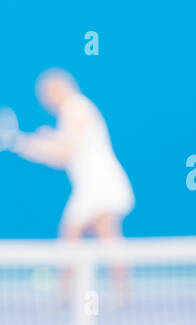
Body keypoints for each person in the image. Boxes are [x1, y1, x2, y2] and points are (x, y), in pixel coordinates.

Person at [10, 70, 134, 296]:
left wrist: (32, 147)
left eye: (45, 94)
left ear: (58, 89)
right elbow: (69, 150)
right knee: (102, 237)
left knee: (76, 235)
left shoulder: (74, 108)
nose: (45, 101)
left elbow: (65, 154)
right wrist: (42, 141)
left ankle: (66, 292)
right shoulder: (76, 108)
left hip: (100, 184)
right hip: (93, 185)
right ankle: (117, 291)